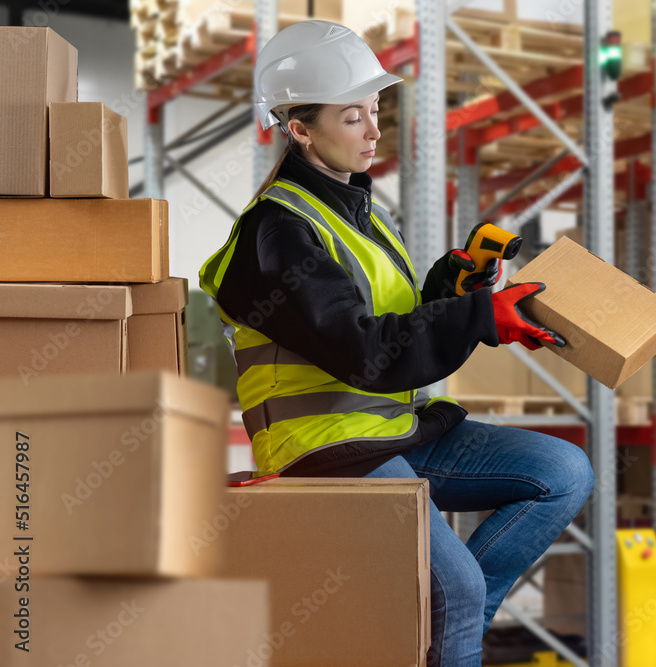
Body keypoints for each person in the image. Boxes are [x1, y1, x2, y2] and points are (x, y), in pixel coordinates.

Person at [199, 20, 595, 667]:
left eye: (375, 110)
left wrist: (452, 286)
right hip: (326, 444)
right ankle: (450, 619)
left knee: (564, 472)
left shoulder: (353, 211)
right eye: (352, 115)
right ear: (300, 128)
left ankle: (443, 623)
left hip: (390, 429)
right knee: (457, 589)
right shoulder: (277, 231)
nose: (374, 129)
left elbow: (388, 319)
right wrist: (479, 318)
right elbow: (365, 351)